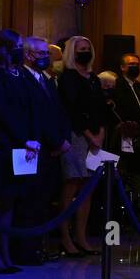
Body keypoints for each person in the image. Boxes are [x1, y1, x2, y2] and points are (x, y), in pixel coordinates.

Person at [0, 29, 41, 274]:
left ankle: (5, 253)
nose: (19, 49)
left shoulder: (18, 74)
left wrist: (33, 138)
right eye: (16, 45)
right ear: (5, 47)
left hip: (24, 144)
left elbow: (31, 107)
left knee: (10, 203)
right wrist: (24, 138)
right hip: (4, 144)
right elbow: (1, 111)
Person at [14, 35, 69, 265]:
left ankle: (41, 247)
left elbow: (58, 112)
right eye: (42, 53)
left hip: (50, 151)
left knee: (45, 199)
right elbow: (35, 117)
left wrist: (63, 140)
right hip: (33, 148)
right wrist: (54, 141)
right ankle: (27, 251)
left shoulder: (46, 80)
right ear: (28, 55)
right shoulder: (21, 78)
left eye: (47, 53)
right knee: (29, 201)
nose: (46, 57)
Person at [57, 35, 104, 255]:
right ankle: (65, 238)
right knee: (72, 184)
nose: (84, 52)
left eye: (87, 48)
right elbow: (72, 109)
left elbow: (100, 107)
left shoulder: (93, 77)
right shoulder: (68, 77)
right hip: (76, 135)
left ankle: (82, 236)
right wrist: (89, 134)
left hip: (95, 135)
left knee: (88, 187)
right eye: (80, 49)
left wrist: (100, 132)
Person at [112, 52, 140, 171]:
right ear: (123, 67)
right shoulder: (116, 85)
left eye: (138, 65)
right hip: (124, 135)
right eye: (131, 64)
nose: (135, 67)